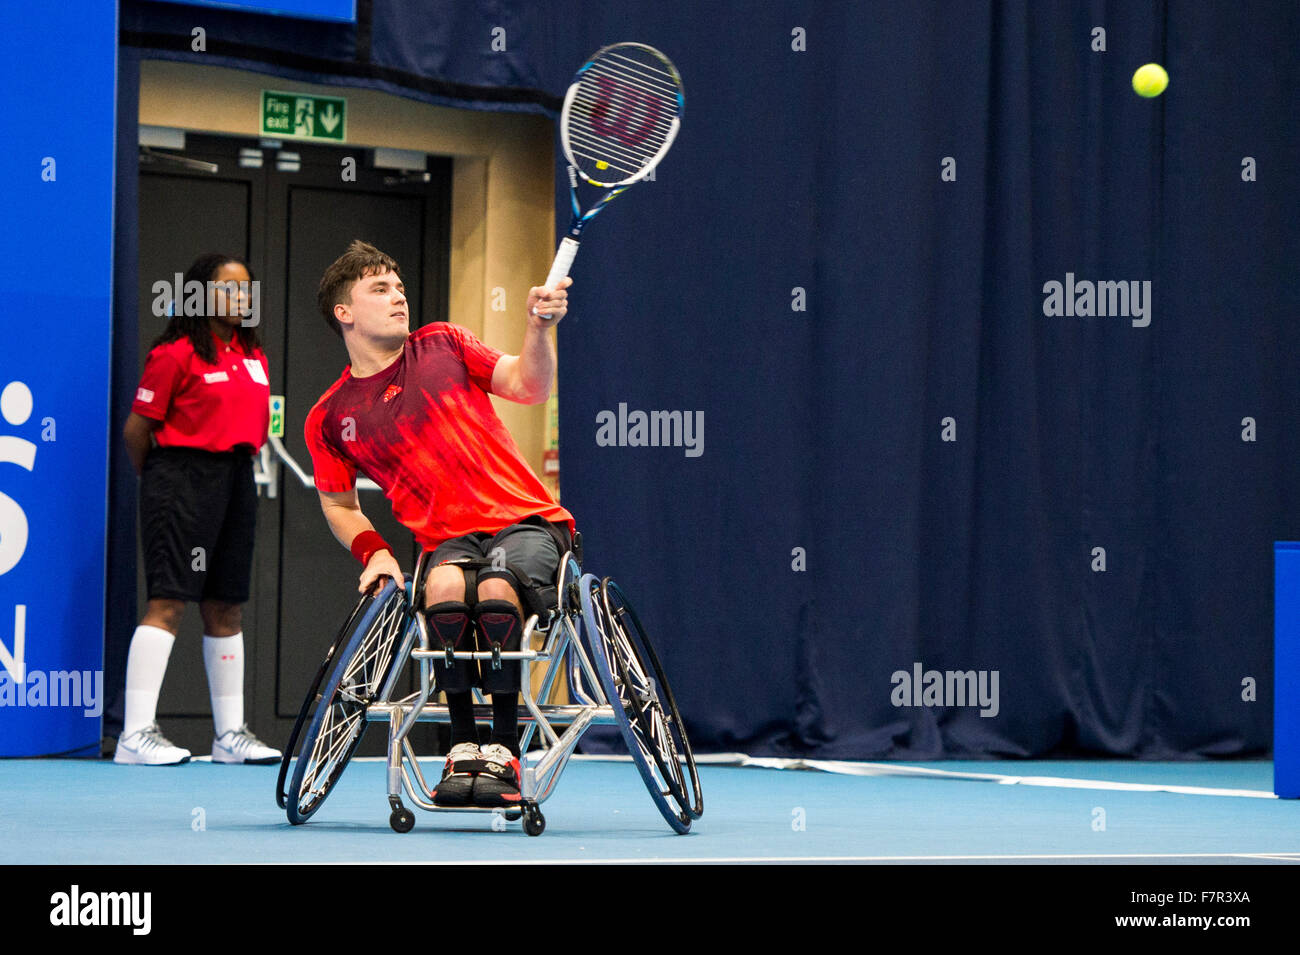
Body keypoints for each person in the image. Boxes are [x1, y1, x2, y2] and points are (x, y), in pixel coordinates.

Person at [305, 239, 573, 807]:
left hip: (525, 520)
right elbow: (338, 505)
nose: (398, 296)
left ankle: (503, 749)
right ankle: (461, 745)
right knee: (446, 589)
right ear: (343, 313)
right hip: (448, 540)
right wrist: (375, 551)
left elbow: (529, 385)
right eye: (380, 289)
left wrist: (538, 329)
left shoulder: (444, 344)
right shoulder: (330, 416)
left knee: (497, 588)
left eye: (399, 286)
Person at [114, 253, 281, 766]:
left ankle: (229, 736)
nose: (240, 298)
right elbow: (136, 432)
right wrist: (164, 486)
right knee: (169, 600)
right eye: (228, 288)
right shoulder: (174, 353)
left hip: (237, 478)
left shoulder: (254, 355)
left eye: (246, 290)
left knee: (226, 605)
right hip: (179, 480)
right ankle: (135, 735)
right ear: (199, 294)